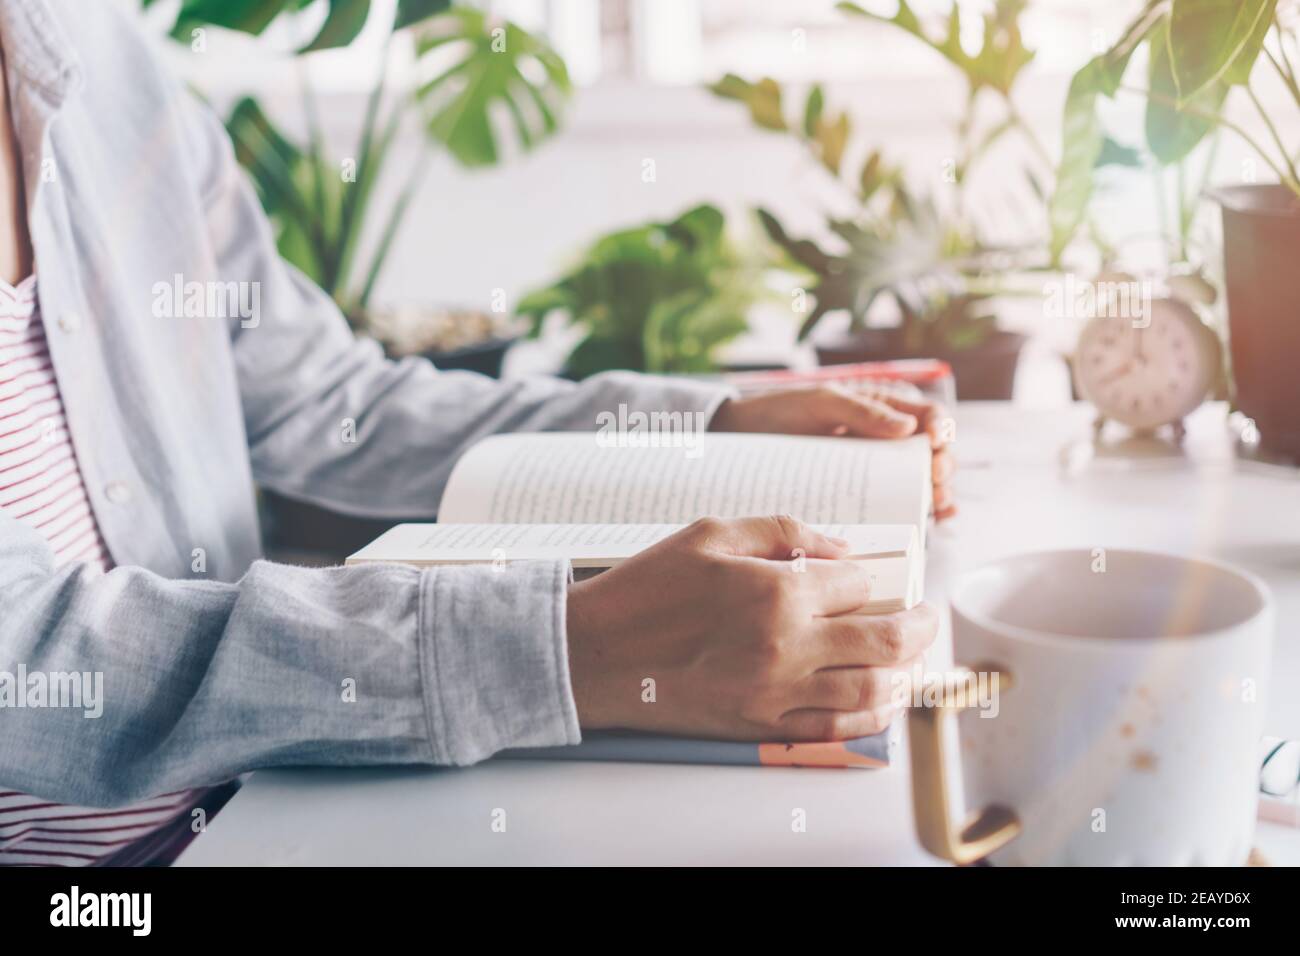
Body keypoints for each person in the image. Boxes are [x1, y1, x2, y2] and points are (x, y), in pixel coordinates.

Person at [0, 0, 949, 866]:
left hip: (271, 793)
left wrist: (703, 424)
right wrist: (566, 649)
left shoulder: (102, 59)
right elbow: (27, 655)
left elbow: (328, 401)